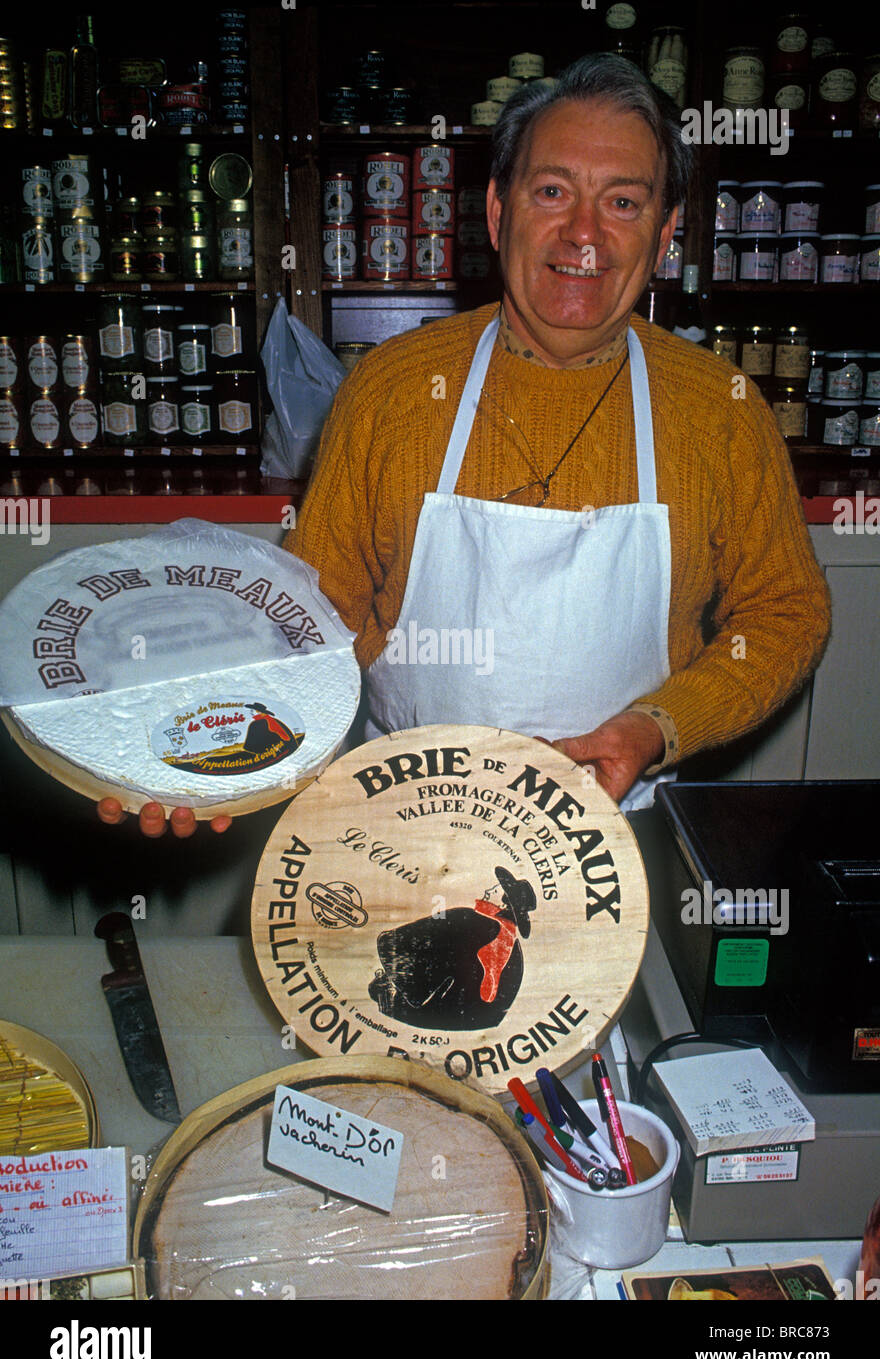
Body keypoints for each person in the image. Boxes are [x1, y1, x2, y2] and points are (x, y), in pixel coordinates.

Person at [101, 52, 830, 835]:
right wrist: (220, 754)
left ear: (665, 236)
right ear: (496, 212)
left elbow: (786, 611)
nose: (583, 234)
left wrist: (658, 725)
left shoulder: (719, 411)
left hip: (614, 841)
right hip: (402, 830)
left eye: (623, 202)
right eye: (552, 191)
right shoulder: (391, 389)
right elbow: (312, 618)